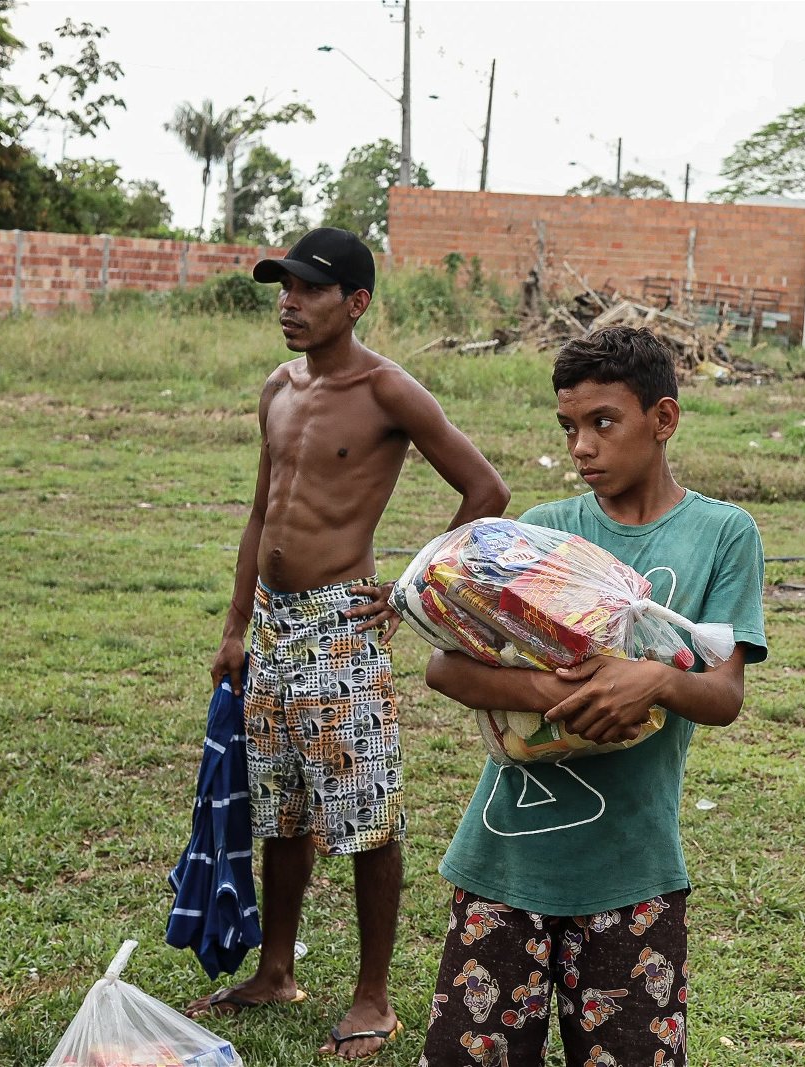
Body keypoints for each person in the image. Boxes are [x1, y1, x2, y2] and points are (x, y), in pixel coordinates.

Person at [185, 227, 510, 1062]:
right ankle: (278, 969)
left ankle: (373, 996)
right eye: (281, 287)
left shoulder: (389, 391)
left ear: (355, 302)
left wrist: (407, 591)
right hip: (273, 622)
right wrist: (233, 627)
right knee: (280, 806)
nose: (287, 302)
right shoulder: (278, 388)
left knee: (365, 815)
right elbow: (261, 513)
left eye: (306, 289)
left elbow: (487, 488)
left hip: (342, 625)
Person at [418, 326, 768, 1066]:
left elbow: (725, 692)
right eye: (569, 427)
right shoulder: (545, 531)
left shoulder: (722, 535)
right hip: (505, 863)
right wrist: (548, 687)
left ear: (662, 419)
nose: (581, 445)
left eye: (602, 422)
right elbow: (445, 670)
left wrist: (656, 680)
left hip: (634, 870)